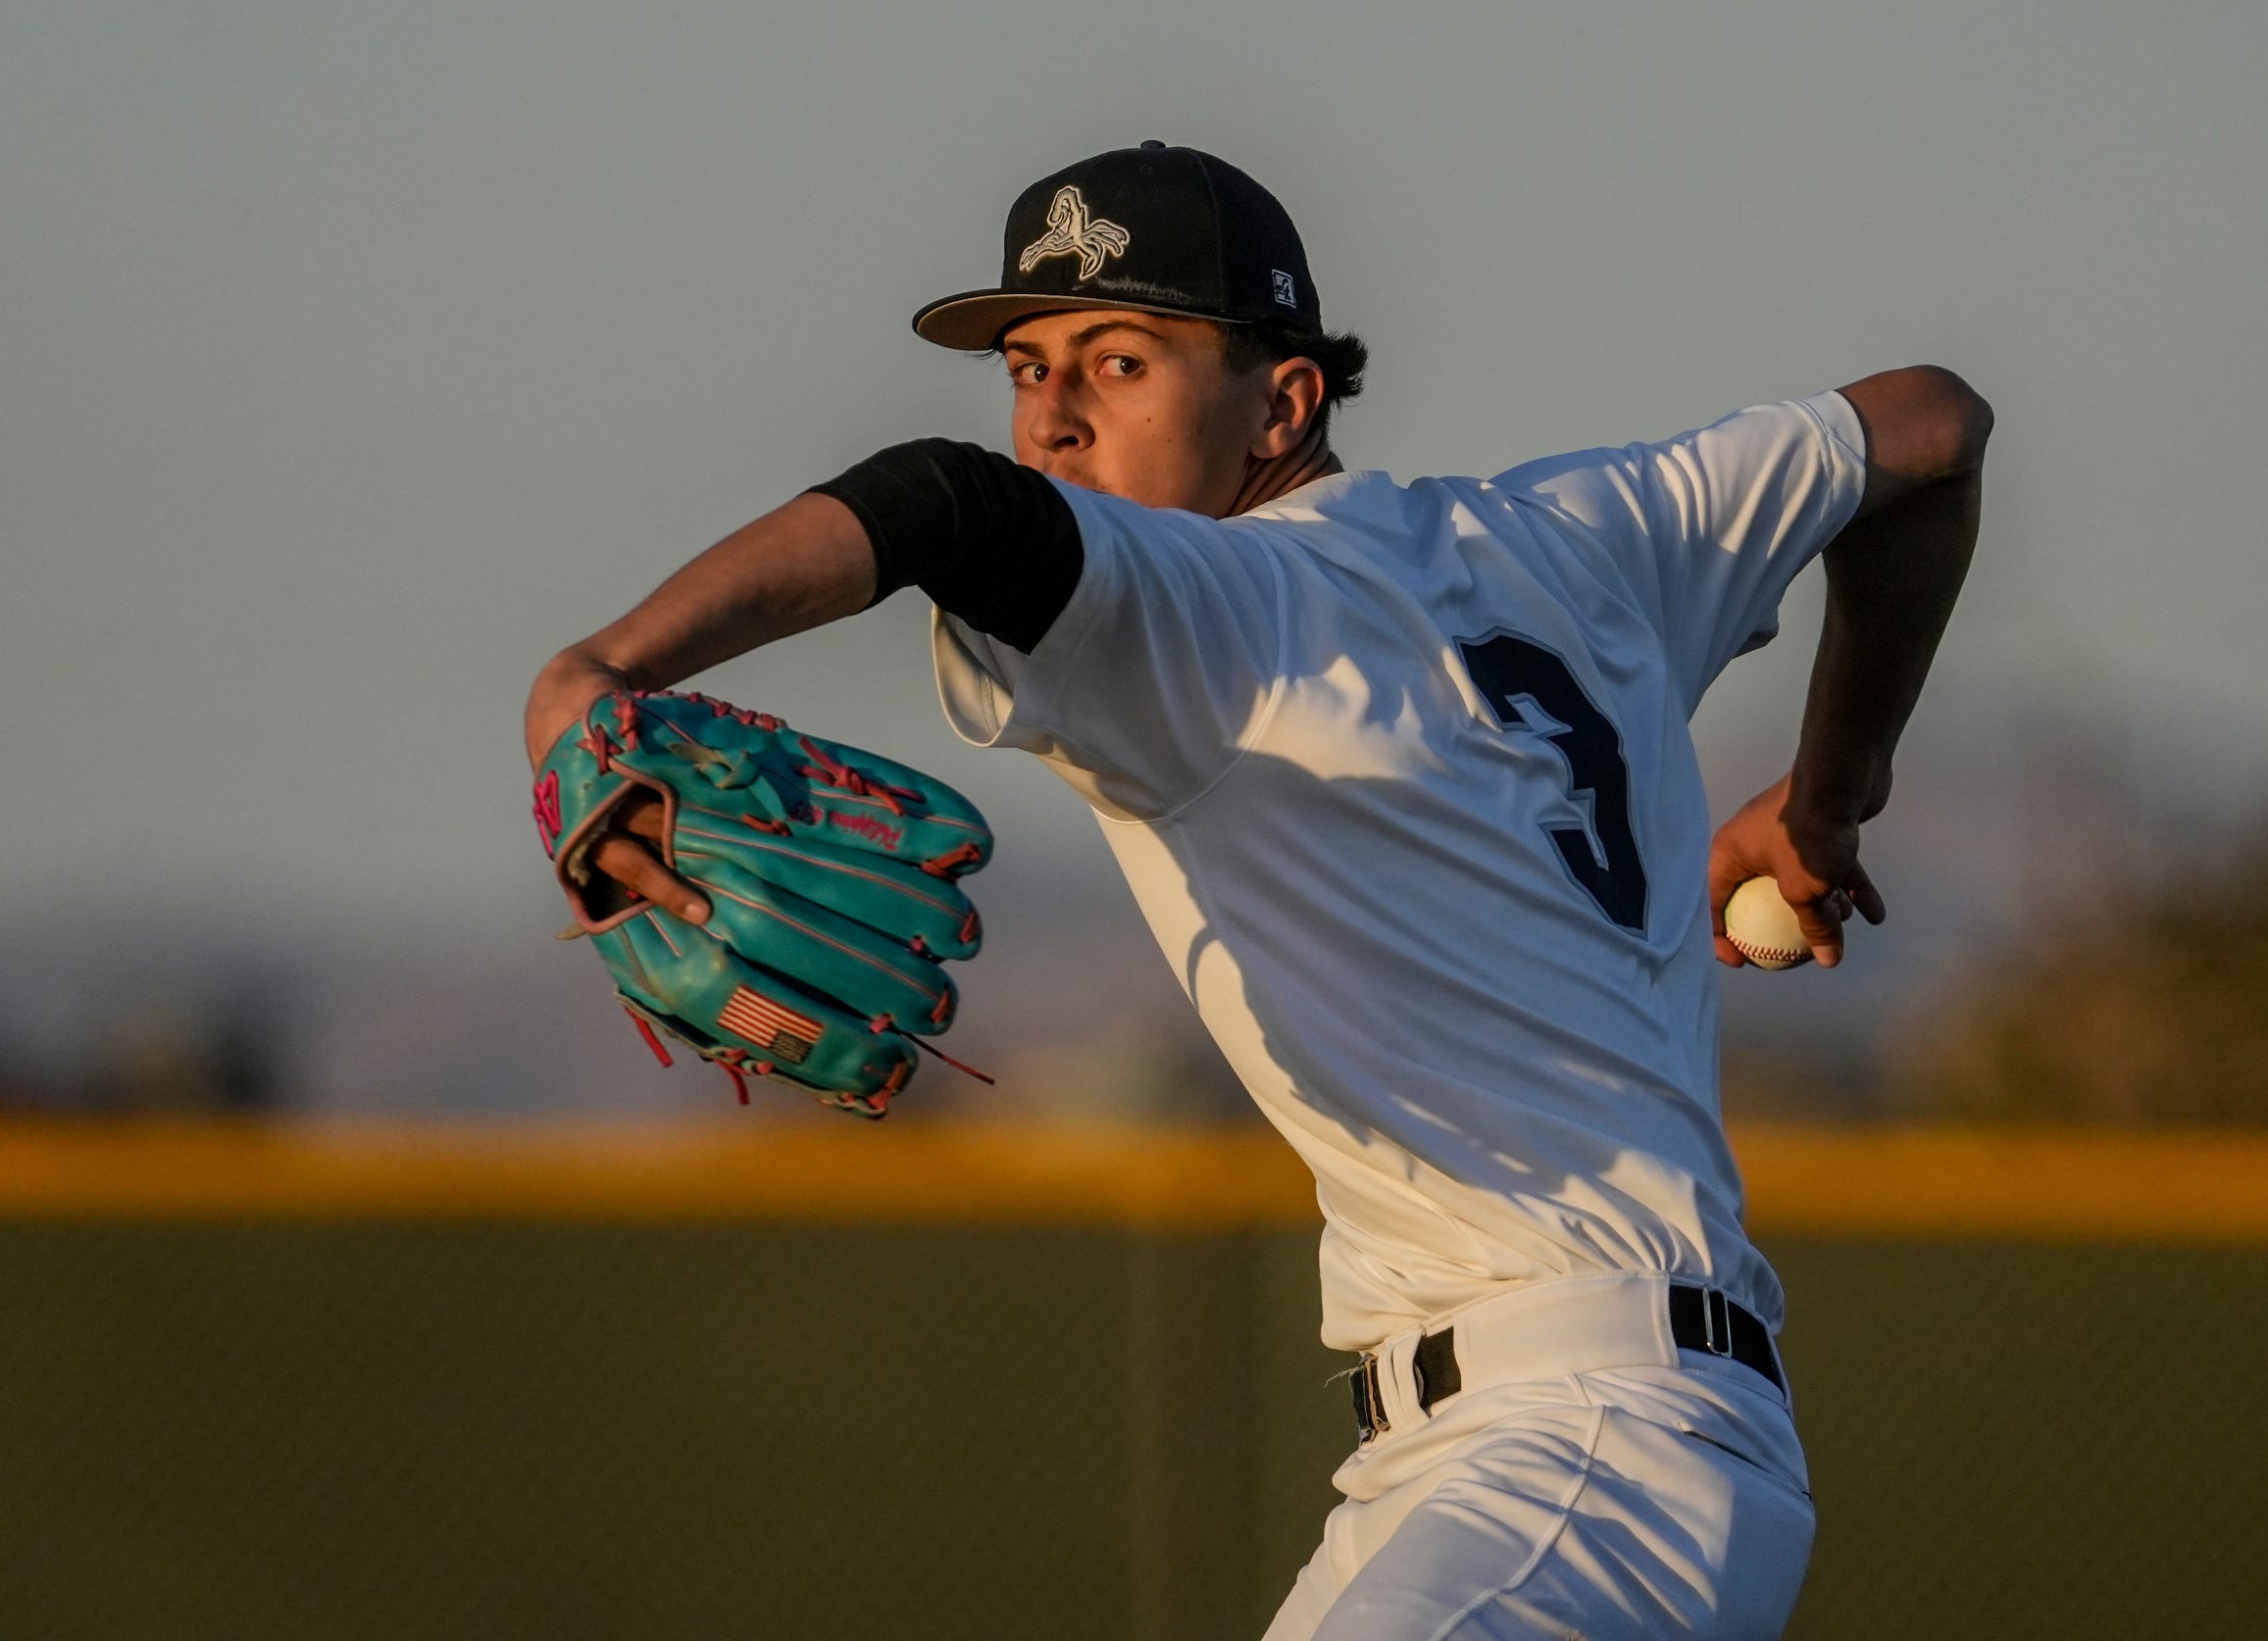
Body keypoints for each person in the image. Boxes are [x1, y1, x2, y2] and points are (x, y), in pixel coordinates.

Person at [523, 141, 1988, 1639]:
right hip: (1518, 1458)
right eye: (1028, 366)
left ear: (1281, 404)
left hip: (1581, 1452)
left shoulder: (1212, 602)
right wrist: (1828, 799)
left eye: (1121, 360)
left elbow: (937, 504)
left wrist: (598, 680)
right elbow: (1930, 428)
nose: (1052, 417)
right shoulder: (1576, 533)